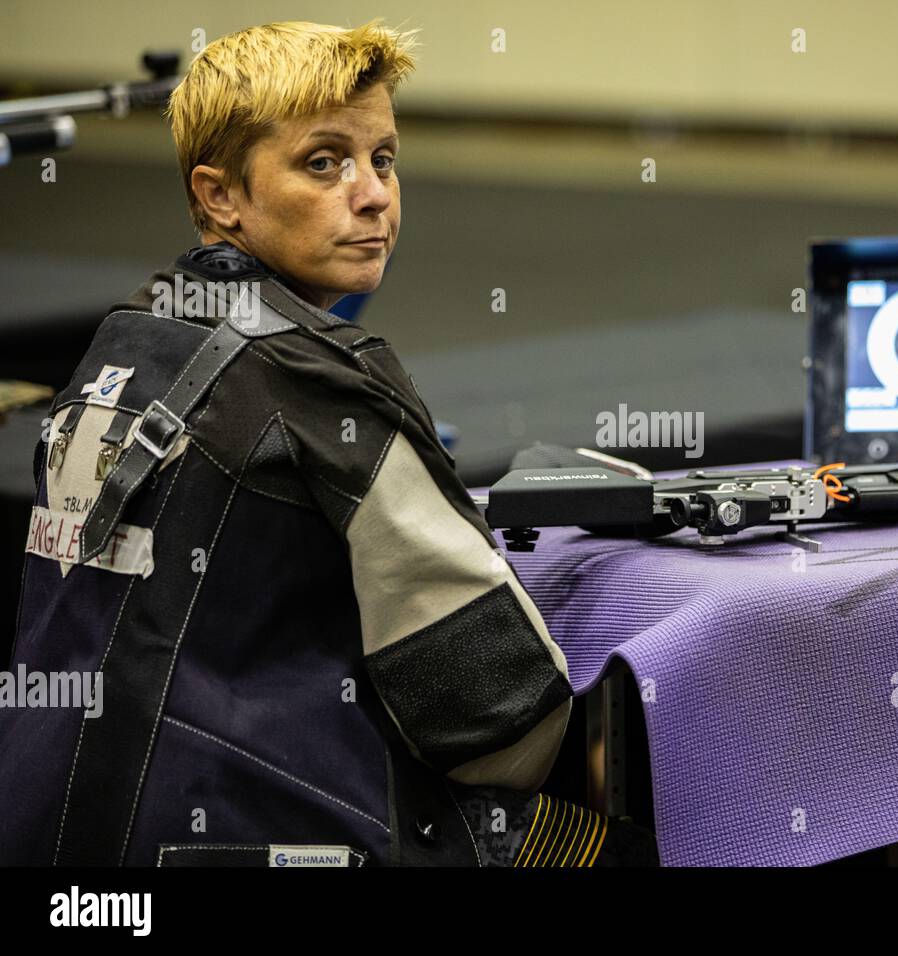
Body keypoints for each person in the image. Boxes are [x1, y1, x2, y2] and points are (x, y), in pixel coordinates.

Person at [0, 19, 656, 867]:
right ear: (218, 196)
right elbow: (500, 720)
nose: (373, 193)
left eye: (381, 158)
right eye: (323, 163)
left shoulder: (122, 340)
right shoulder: (326, 383)